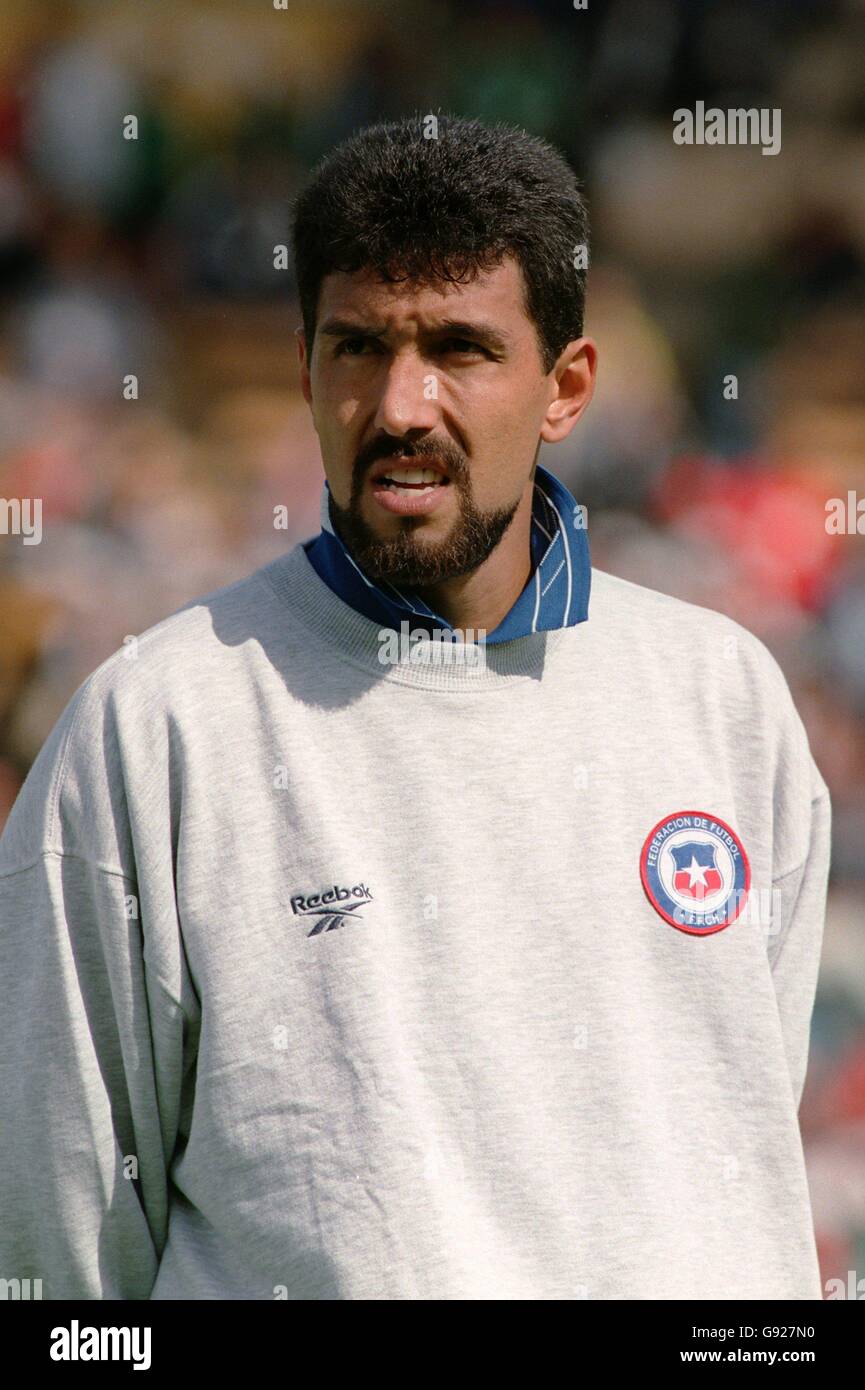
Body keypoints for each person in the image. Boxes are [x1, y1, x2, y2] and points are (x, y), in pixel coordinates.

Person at [0, 115, 831, 1300]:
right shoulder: (155, 728)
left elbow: (730, 1138)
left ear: (566, 386)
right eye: (356, 348)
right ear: (305, 372)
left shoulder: (720, 695)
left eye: (459, 348)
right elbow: (62, 1251)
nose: (401, 406)